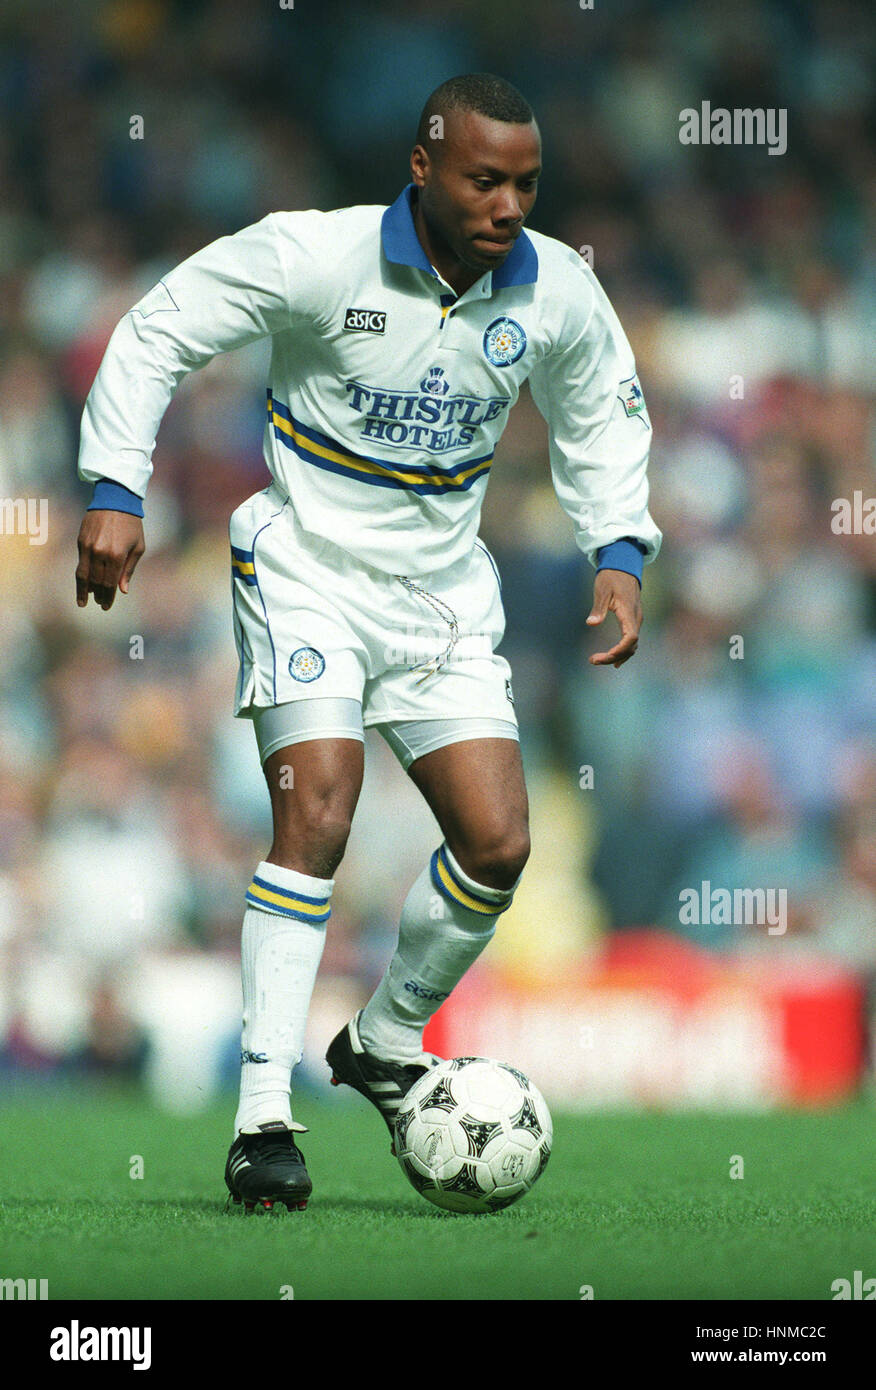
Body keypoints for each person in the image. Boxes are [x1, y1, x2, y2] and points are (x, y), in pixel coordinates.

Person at [74, 73, 662, 1212]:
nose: (507, 205)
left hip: (440, 595)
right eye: (485, 179)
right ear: (424, 169)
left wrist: (620, 552)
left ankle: (384, 1043)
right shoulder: (315, 256)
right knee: (322, 809)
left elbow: (600, 410)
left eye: (527, 185)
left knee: (498, 846)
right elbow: (160, 329)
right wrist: (114, 485)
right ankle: (262, 1119)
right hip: (306, 571)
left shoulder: (558, 291)